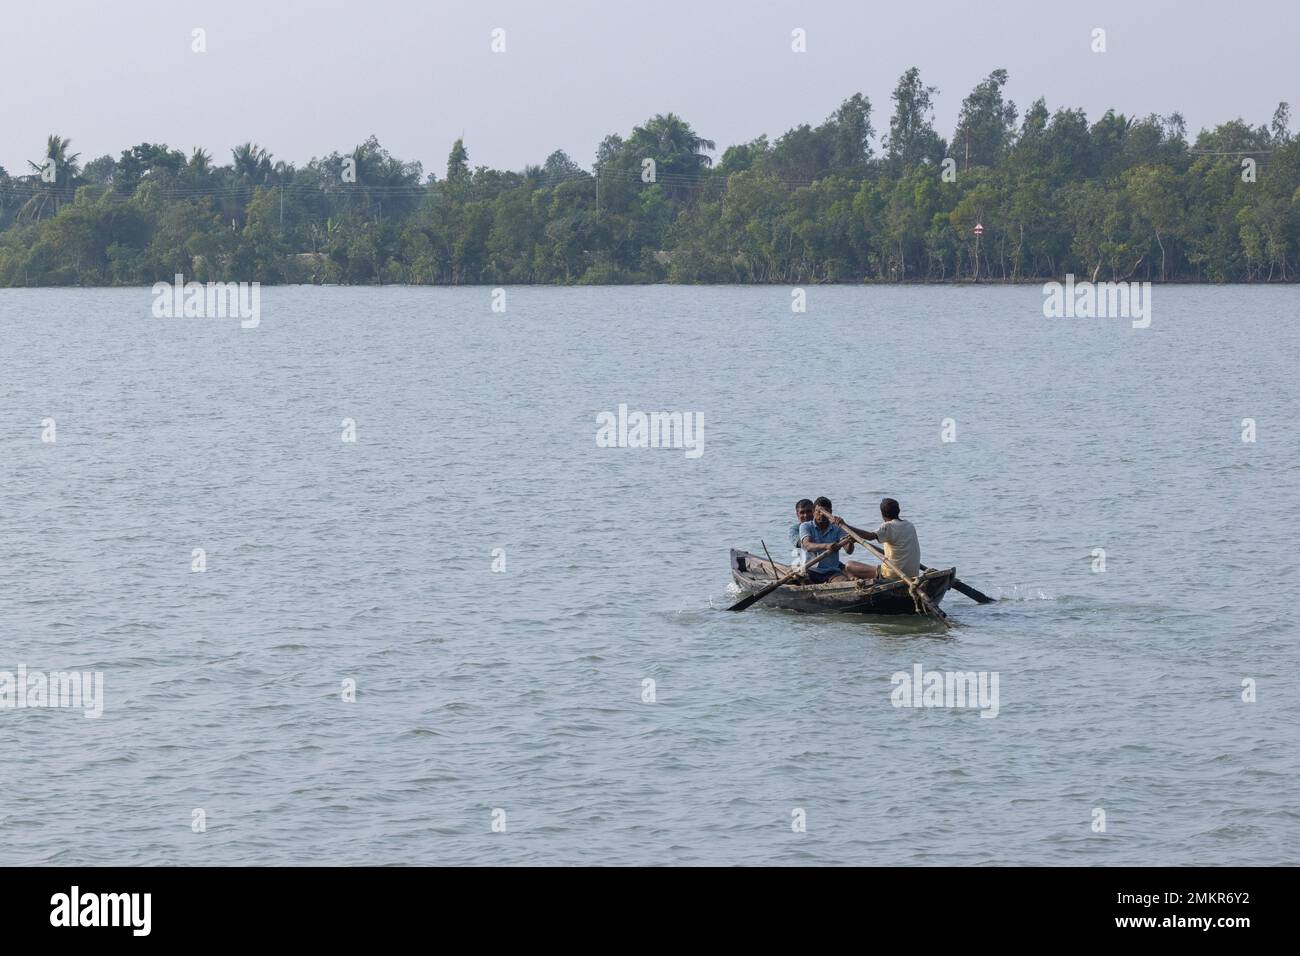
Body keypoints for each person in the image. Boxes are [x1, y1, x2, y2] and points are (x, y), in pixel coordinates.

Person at [831, 498, 921, 582]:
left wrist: (845, 525)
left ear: (882, 514)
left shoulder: (888, 526)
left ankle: (859, 584)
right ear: (899, 511)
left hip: (893, 574)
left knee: (849, 566)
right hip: (913, 573)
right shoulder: (909, 525)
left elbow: (870, 536)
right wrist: (858, 540)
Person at [798, 496, 855, 583]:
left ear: (830, 512)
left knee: (844, 581)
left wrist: (850, 540)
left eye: (825, 512)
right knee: (802, 580)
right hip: (810, 571)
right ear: (813, 512)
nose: (821, 515)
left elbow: (848, 551)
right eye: (819, 512)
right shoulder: (806, 526)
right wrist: (827, 546)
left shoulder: (837, 528)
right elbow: (807, 545)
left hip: (832, 572)